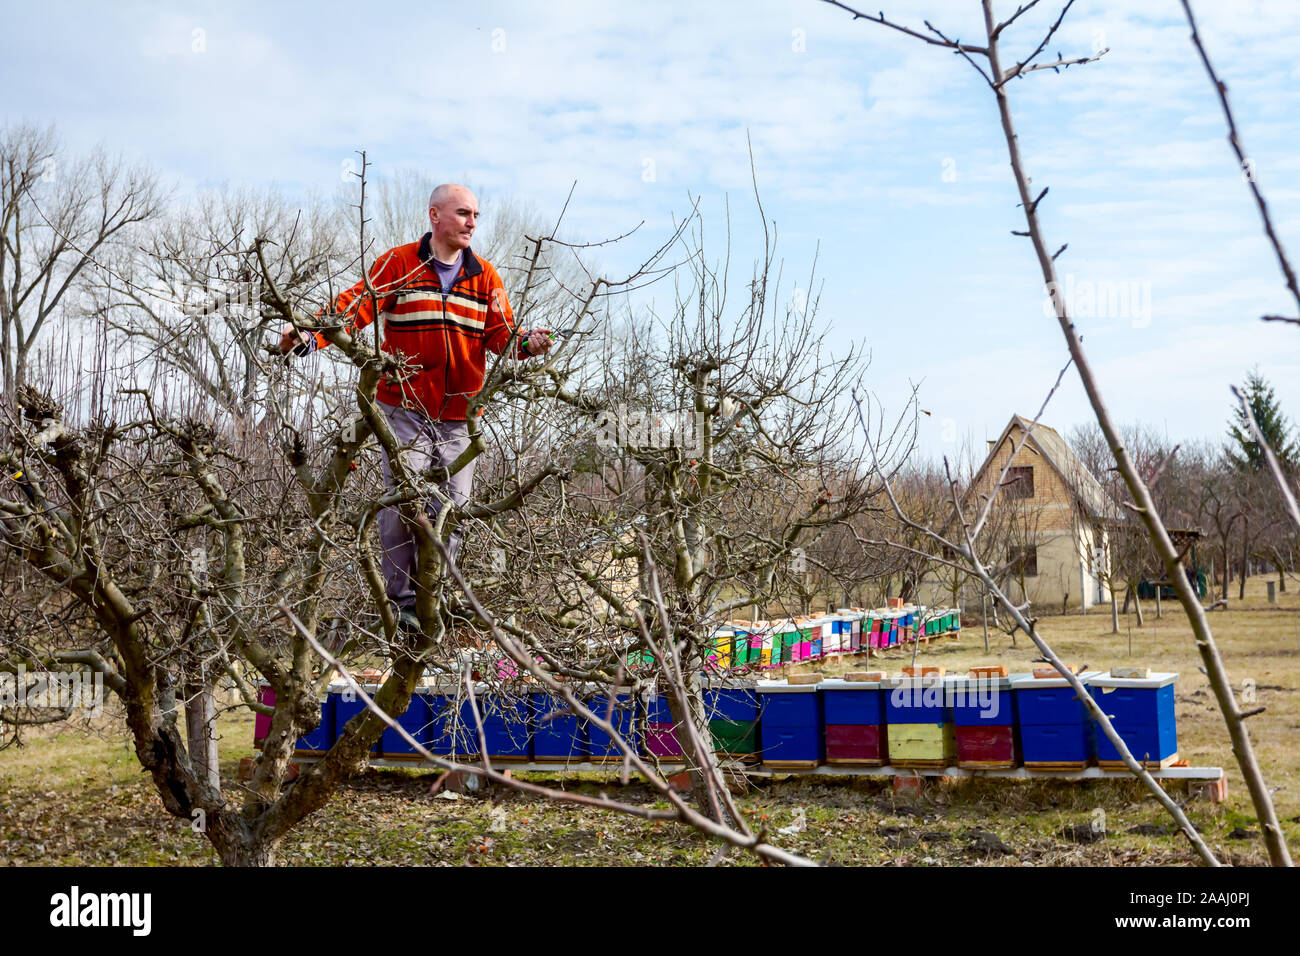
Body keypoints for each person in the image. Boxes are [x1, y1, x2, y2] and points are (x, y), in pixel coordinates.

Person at [280, 184, 552, 634]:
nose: (472, 223)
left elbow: (502, 334)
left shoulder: (485, 277)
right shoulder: (399, 263)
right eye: (463, 213)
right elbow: (353, 307)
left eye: (476, 215)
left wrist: (528, 344)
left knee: (453, 510)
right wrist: (310, 336)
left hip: (460, 416)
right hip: (403, 406)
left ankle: (434, 599)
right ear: (435, 215)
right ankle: (402, 601)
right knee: (404, 503)